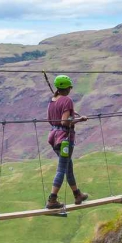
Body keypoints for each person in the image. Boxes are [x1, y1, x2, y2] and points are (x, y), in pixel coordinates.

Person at [46, 74, 89, 209]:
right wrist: (79, 120)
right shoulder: (67, 100)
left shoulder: (53, 100)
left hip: (53, 137)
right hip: (64, 139)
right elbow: (65, 122)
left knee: (67, 166)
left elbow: (52, 119)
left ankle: (77, 195)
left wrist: (71, 113)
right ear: (67, 88)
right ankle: (52, 199)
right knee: (62, 169)